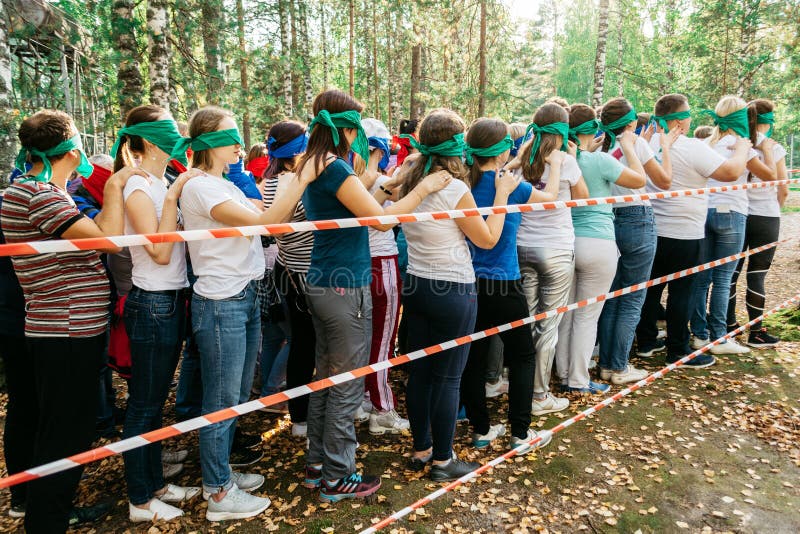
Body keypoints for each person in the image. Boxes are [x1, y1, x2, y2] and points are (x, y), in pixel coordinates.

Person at [296, 90, 451, 500]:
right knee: (346, 383)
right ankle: (337, 475)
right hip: (344, 286)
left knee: (326, 378)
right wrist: (424, 187)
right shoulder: (336, 169)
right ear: (344, 129)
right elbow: (381, 222)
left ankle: (318, 465)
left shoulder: (317, 162)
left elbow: (360, 207)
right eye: (356, 128)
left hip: (326, 280)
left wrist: (394, 182)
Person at [1, 110, 147, 532]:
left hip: (58, 323)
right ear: (71, 146)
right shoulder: (40, 195)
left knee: (58, 423)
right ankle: (47, 521)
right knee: (67, 430)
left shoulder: (34, 189)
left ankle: (46, 510)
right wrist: (117, 182)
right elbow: (109, 238)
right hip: (66, 328)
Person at [177, 105, 313, 521]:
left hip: (244, 295)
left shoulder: (223, 184)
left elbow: (267, 225)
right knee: (220, 397)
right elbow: (269, 222)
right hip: (221, 302)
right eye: (230, 135)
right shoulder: (202, 188)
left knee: (235, 394)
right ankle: (218, 492)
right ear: (208, 142)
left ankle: (222, 472)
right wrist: (301, 176)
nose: (238, 143)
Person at [398, 108, 513, 479]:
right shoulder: (455, 188)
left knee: (420, 373)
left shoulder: (408, 184)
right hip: (452, 289)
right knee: (447, 377)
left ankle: (422, 449)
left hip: (415, 285)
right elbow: (488, 238)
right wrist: (502, 197)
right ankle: (444, 461)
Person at [110, 104, 203, 522]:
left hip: (173, 300)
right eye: (168, 132)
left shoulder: (157, 181)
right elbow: (161, 252)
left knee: (154, 402)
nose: (177, 137)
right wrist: (176, 192)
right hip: (153, 303)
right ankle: (140, 499)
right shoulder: (138, 188)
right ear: (149, 141)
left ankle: (156, 484)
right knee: (144, 405)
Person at [459, 117, 559, 451]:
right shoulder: (511, 186)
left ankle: (482, 429)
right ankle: (519, 433)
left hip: (469, 283)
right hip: (503, 281)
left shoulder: (464, 183)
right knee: (522, 355)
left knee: (473, 358)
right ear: (503, 150)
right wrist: (554, 164)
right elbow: (552, 198)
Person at [636, 94, 751, 368]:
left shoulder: (646, 143)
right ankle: (678, 351)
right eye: (687, 114)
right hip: (684, 231)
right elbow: (731, 172)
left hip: (652, 228)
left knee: (651, 290)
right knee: (681, 292)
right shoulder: (690, 147)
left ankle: (647, 342)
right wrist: (743, 147)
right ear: (678, 121)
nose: (691, 118)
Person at [557, 104, 645, 393]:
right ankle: (578, 380)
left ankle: (562, 371)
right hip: (598, 242)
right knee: (587, 315)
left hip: (568, 241)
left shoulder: (559, 159)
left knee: (567, 313)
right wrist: (629, 147)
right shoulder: (600, 161)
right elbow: (639, 180)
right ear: (592, 128)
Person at [596, 97, 677, 385]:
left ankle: (607, 364)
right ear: (631, 122)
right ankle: (618, 367)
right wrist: (664, 147)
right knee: (632, 298)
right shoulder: (636, 144)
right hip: (638, 218)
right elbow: (664, 180)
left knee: (612, 297)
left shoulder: (600, 146)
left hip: (608, 220)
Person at [689, 95, 777, 355]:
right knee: (724, 277)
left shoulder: (704, 143)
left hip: (704, 212)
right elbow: (770, 177)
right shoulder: (740, 146)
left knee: (702, 278)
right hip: (733, 212)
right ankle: (719, 337)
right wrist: (768, 151)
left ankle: (699, 334)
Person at [516, 103, 588, 413]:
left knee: (528, 320)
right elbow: (583, 199)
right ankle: (539, 395)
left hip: (523, 246)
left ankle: (517, 381)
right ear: (563, 130)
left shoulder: (521, 158)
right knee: (548, 324)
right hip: (556, 248)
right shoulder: (565, 162)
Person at [353, 117, 410, 435]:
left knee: (365, 337)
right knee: (384, 338)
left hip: (360, 264)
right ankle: (382, 408)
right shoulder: (374, 181)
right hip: (382, 262)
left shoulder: (350, 179)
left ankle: (364, 397)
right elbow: (385, 221)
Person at [261, 120, 315, 437]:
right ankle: (302, 418)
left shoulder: (273, 178)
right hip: (300, 273)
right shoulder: (293, 182)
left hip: (289, 269)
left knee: (301, 344)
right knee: (305, 346)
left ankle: (302, 415)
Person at [727, 99, 788, 347]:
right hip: (766, 216)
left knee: (731, 272)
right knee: (757, 274)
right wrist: (777, 207)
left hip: (739, 212)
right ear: (768, 121)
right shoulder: (774, 148)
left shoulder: (737, 145)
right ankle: (757, 331)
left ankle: (728, 324)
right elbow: (782, 188)